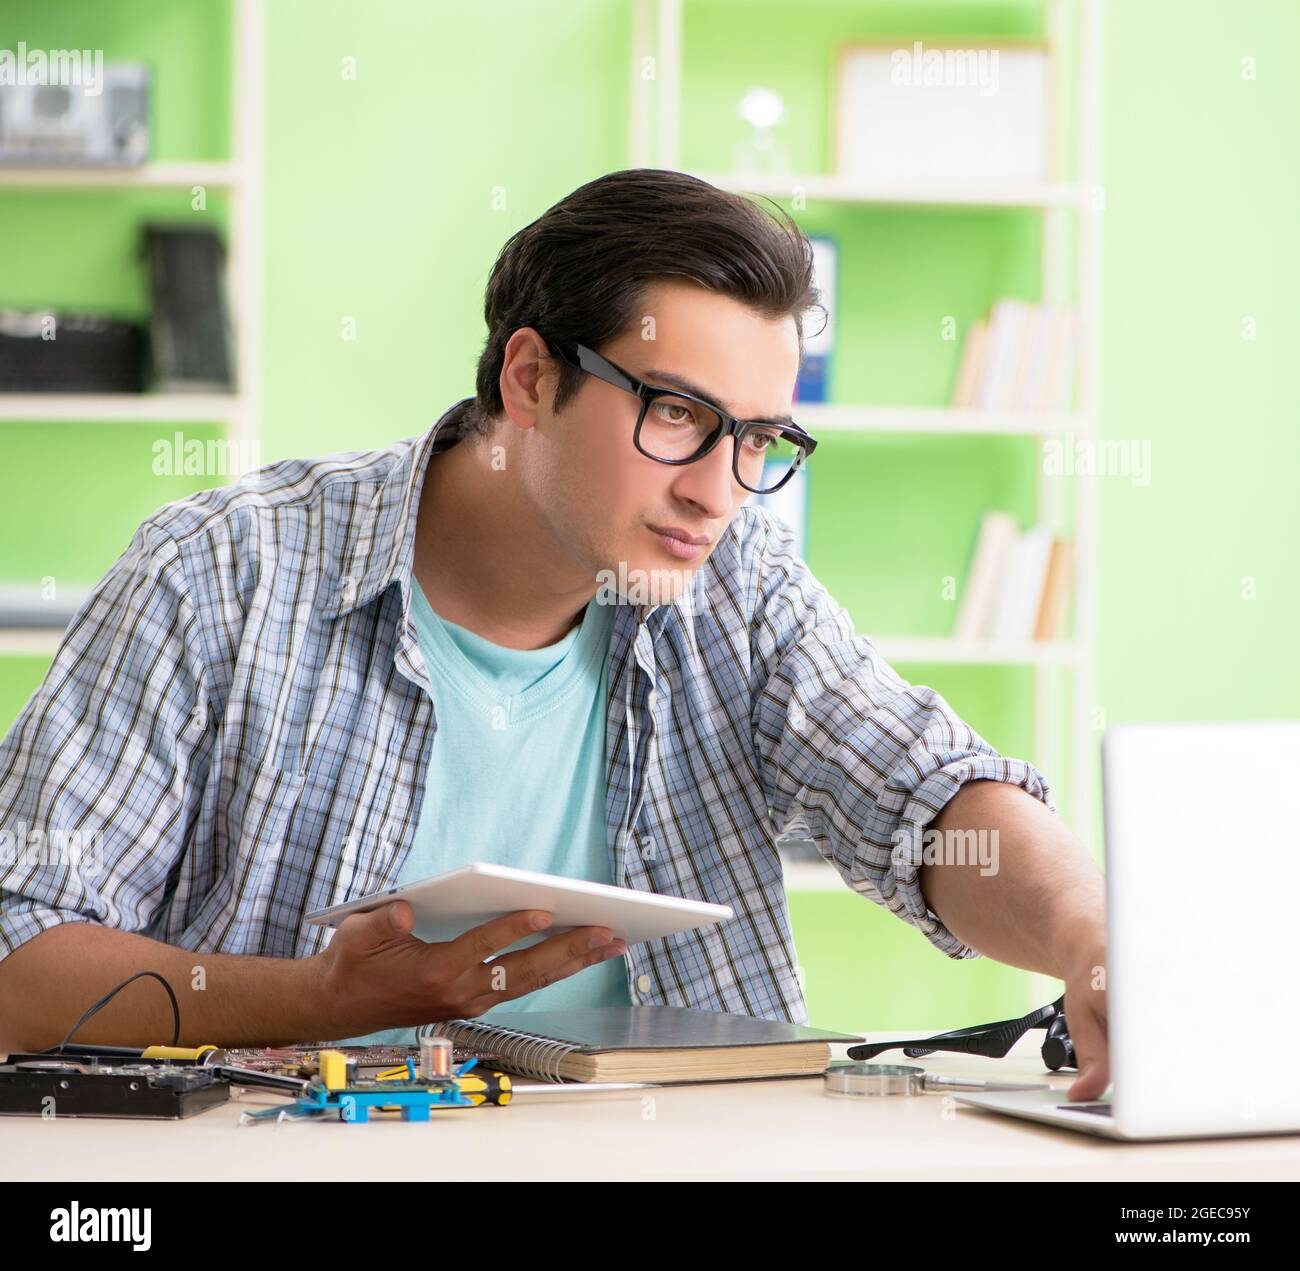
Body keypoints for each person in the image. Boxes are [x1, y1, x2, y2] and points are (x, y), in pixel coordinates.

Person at [0, 169, 1108, 1099]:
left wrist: (1092, 942)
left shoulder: (738, 580)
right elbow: (20, 954)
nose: (722, 491)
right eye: (677, 415)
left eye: (760, 438)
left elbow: (926, 794)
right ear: (530, 377)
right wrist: (317, 1000)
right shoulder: (223, 574)